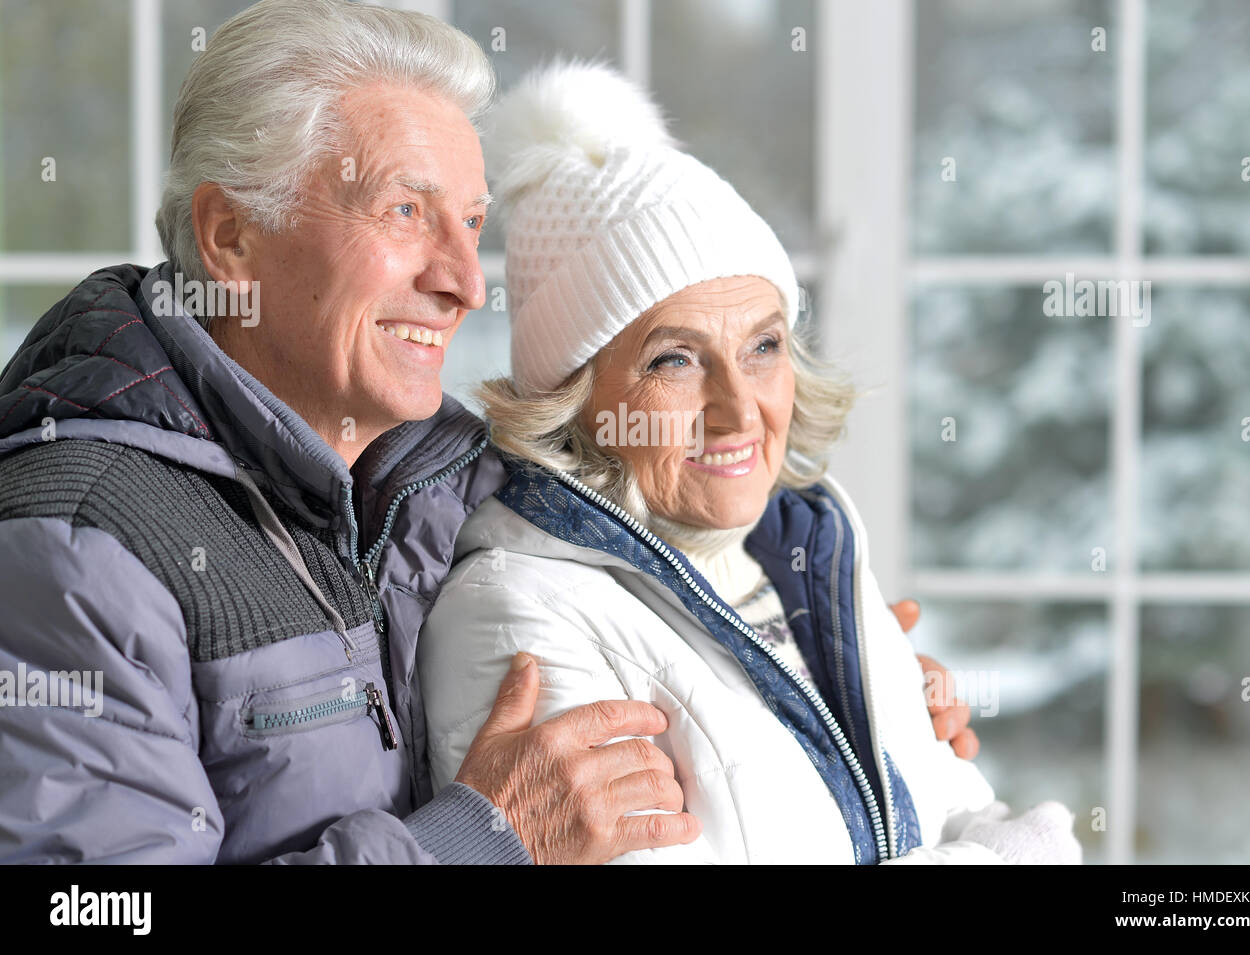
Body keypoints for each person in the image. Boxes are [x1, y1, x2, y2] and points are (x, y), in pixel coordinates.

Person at [0, 0, 974, 864]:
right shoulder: (77, 545)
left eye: (470, 223)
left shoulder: (439, 475)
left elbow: (658, 546)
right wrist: (480, 842)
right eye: (405, 211)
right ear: (230, 236)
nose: (464, 282)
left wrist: (835, 679)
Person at [418, 62, 1082, 864]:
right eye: (674, 360)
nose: (739, 409)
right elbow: (1000, 839)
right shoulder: (513, 613)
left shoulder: (808, 550)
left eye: (763, 345)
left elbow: (958, 807)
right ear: (572, 395)